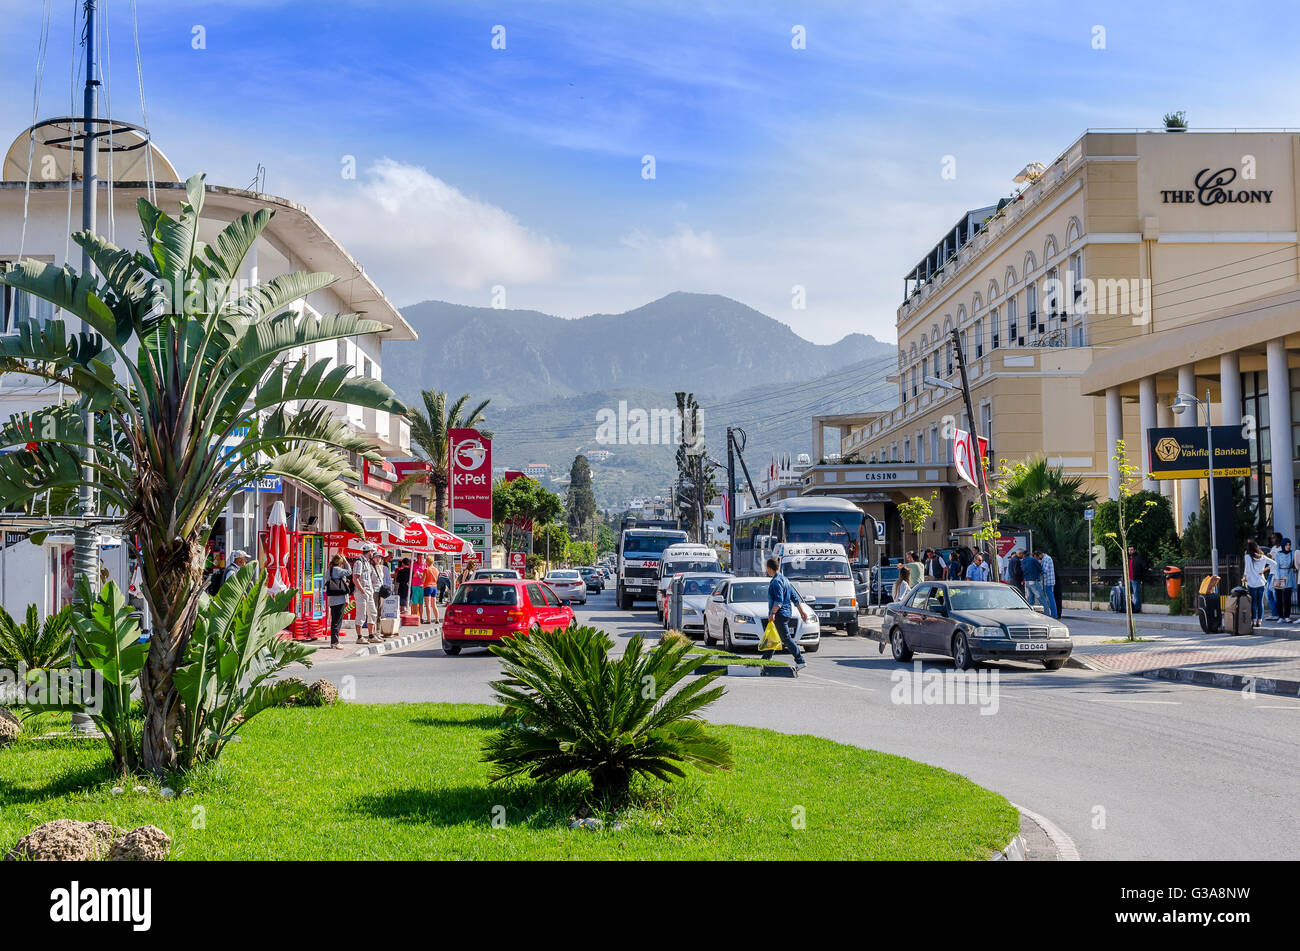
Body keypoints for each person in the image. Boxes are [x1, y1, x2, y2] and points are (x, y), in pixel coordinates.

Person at [763, 556, 806, 672]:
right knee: (772, 637)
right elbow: (795, 598)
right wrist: (802, 612)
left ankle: (800, 660)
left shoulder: (776, 582)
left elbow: (779, 601)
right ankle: (765, 660)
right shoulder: (785, 580)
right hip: (787, 613)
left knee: (786, 639)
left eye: (767, 569)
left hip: (780, 614)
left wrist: (772, 613)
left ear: (769, 568)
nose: (767, 571)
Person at [1243, 540, 1277, 628]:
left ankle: (1254, 621)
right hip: (1261, 582)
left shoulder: (1247, 557)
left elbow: (1247, 569)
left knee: (1253, 602)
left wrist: (1244, 577)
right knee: (1260, 602)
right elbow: (1274, 564)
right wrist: (1264, 570)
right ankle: (1259, 621)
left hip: (1252, 583)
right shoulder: (1263, 557)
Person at [352, 544, 379, 643]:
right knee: (361, 614)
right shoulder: (359, 562)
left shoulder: (367, 562)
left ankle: (371, 635)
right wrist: (362, 590)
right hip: (361, 592)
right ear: (369, 552)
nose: (373, 553)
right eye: (372, 551)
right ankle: (359, 637)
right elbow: (355, 578)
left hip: (369, 591)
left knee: (372, 612)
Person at [325, 554, 352, 649]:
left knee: (334, 621)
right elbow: (349, 571)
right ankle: (335, 642)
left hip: (332, 599)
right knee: (338, 621)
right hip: (340, 599)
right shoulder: (338, 570)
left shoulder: (330, 570)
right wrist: (346, 561)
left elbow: (327, 579)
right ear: (340, 562)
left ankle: (333, 641)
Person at [1021, 550, 1051, 615]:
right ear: (1030, 554)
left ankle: (1030, 615)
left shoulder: (1023, 561)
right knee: (1042, 599)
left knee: (1030, 600)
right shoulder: (1033, 560)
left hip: (1026, 582)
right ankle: (1047, 615)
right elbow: (1040, 569)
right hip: (1034, 581)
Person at [1272, 538, 1294, 623]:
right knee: (1279, 597)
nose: (1288, 546)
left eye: (1289, 544)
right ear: (1283, 545)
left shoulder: (1292, 553)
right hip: (1280, 575)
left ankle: (1287, 616)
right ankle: (1281, 616)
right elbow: (1276, 567)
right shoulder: (1278, 554)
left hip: (1289, 575)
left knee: (1288, 598)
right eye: (1286, 545)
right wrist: (1277, 579)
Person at [1036, 550, 1058, 619]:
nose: (1039, 559)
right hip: (1049, 581)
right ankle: (1053, 614)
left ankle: (1054, 615)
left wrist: (1038, 567)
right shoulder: (1047, 558)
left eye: (1038, 557)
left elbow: (1044, 570)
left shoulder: (1046, 559)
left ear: (1040, 555)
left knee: (1050, 599)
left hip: (1048, 582)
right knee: (1050, 598)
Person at [1127, 545, 1147, 613]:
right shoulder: (1129, 558)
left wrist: (1147, 568)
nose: (1130, 551)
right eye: (1129, 550)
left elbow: (1143, 564)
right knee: (1129, 594)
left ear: (1134, 550)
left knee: (1136, 594)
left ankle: (1136, 609)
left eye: (1131, 550)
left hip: (1135, 579)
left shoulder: (1138, 557)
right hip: (1129, 579)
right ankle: (1130, 607)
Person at [410, 554, 426, 619]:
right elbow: (410, 575)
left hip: (422, 586)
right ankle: (415, 617)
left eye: (422, 558)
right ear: (417, 558)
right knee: (415, 602)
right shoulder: (413, 564)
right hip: (415, 585)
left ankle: (421, 617)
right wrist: (414, 575)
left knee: (421, 603)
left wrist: (423, 575)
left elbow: (427, 575)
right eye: (419, 558)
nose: (420, 559)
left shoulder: (425, 565)